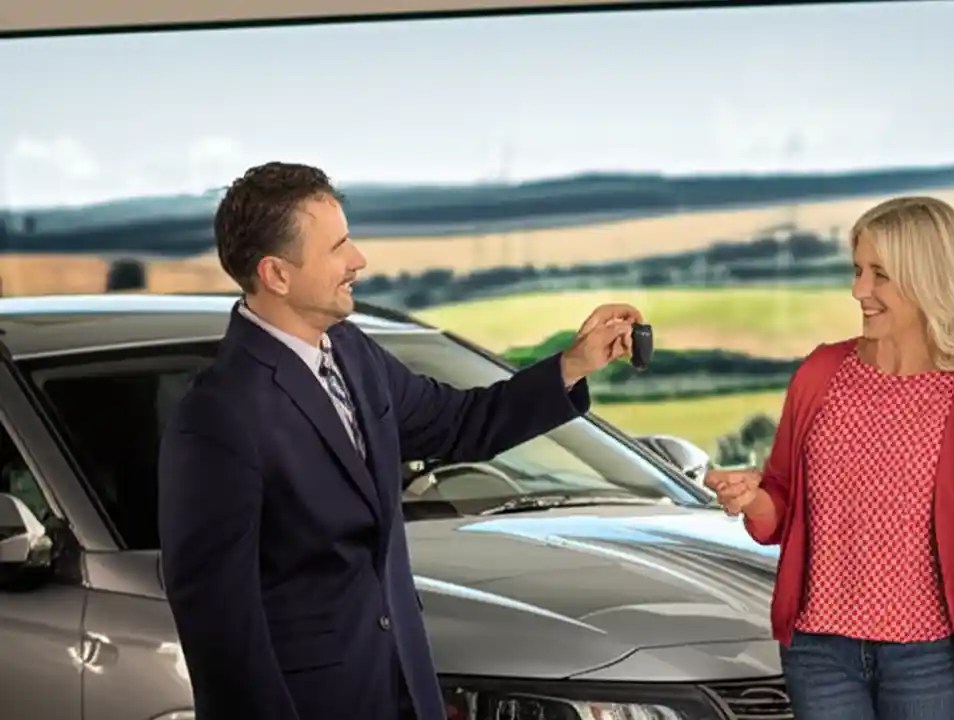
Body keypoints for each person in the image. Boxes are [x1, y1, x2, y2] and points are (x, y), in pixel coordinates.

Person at [157, 161, 642, 720]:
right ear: (277, 274)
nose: (358, 260)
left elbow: (461, 423)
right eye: (338, 247)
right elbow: (218, 621)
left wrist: (574, 366)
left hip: (405, 691)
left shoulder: (353, 355)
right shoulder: (219, 414)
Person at [705, 196, 954, 720]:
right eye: (858, 270)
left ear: (928, 279)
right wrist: (751, 500)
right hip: (821, 651)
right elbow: (782, 508)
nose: (859, 290)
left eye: (880, 274)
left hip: (931, 654)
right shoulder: (822, 373)